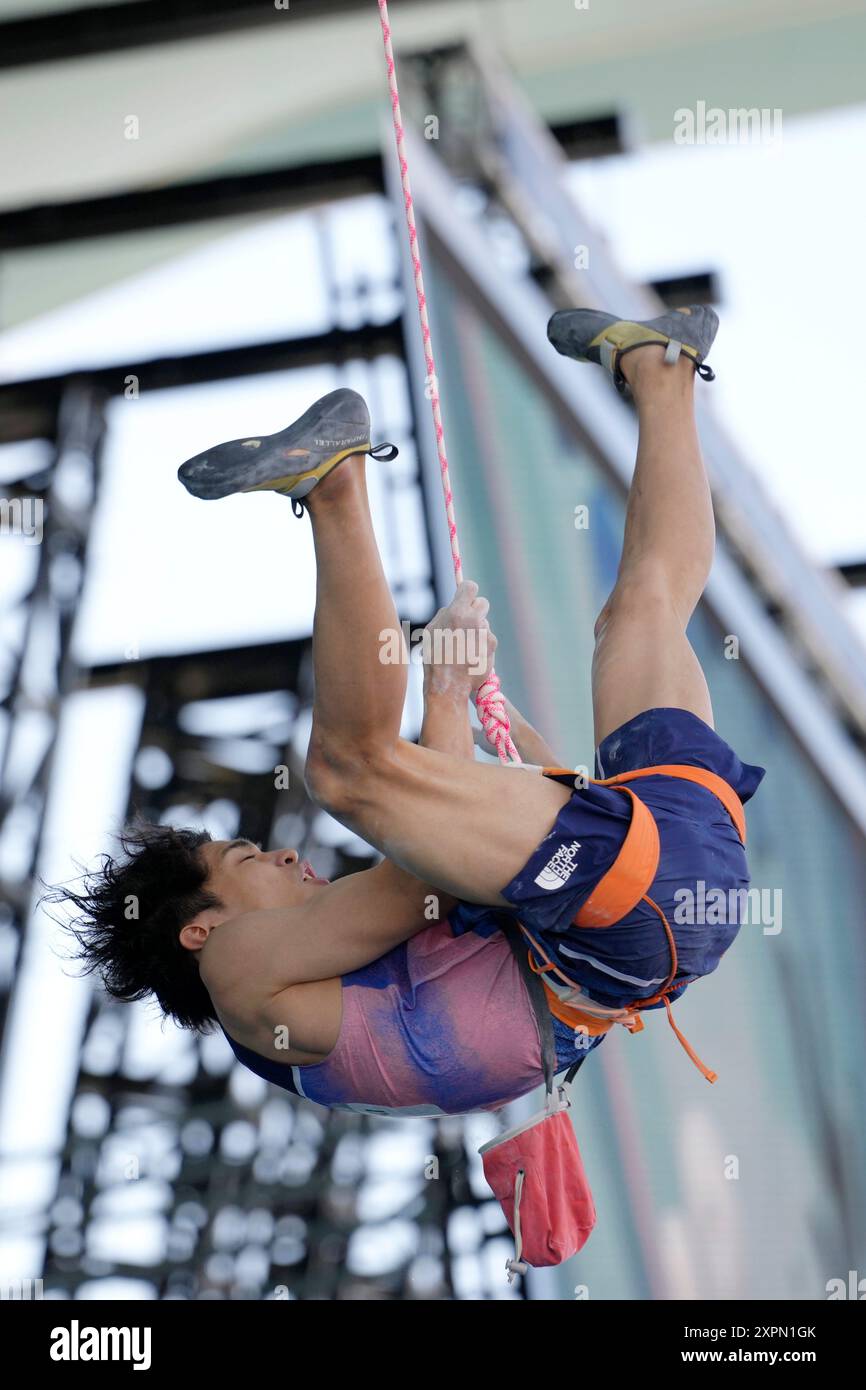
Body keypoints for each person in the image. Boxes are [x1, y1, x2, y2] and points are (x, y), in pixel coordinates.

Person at [57, 307, 765, 1118]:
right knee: (345, 773)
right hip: (632, 893)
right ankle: (334, 486)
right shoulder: (240, 977)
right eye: (248, 859)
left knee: (643, 609)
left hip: (677, 854)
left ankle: (660, 366)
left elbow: (507, 832)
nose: (286, 859)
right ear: (199, 929)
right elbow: (416, 888)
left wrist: (483, 710)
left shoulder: (324, 988)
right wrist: (446, 694)